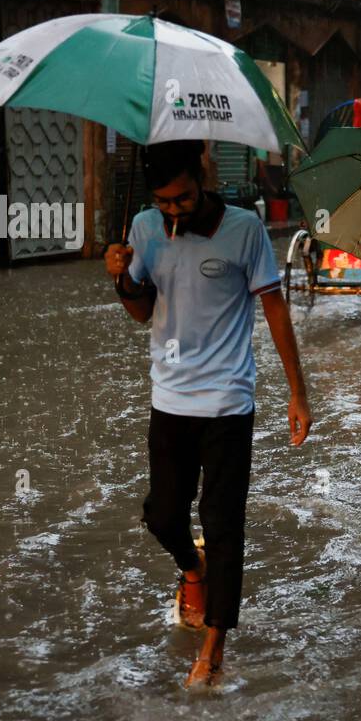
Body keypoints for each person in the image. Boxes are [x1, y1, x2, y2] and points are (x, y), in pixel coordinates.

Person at [104, 139, 312, 688]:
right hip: (168, 399)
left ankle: (215, 645)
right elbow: (141, 311)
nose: (174, 210)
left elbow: (274, 309)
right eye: (165, 201)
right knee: (162, 516)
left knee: (223, 525)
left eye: (184, 198)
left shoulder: (244, 229)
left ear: (204, 174)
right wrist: (122, 277)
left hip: (227, 401)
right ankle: (191, 572)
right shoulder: (145, 227)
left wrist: (298, 392)